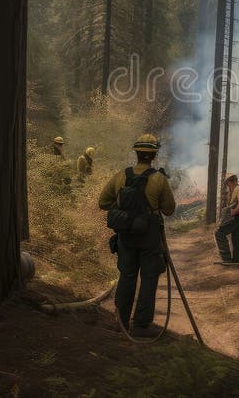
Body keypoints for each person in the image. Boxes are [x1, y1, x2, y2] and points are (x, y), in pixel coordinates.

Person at [98, 133, 176, 339]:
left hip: (126, 235)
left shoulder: (121, 176)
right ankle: (141, 325)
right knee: (149, 278)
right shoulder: (159, 179)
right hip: (149, 234)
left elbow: (103, 202)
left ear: (137, 153)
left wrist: (124, 209)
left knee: (127, 276)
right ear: (153, 155)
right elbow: (169, 209)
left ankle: (120, 322)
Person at [214, 173, 239, 263]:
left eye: (228, 182)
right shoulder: (234, 190)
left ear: (232, 181)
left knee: (219, 233)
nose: (228, 184)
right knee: (236, 237)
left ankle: (226, 259)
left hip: (237, 218)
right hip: (238, 218)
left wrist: (234, 212)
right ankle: (236, 261)